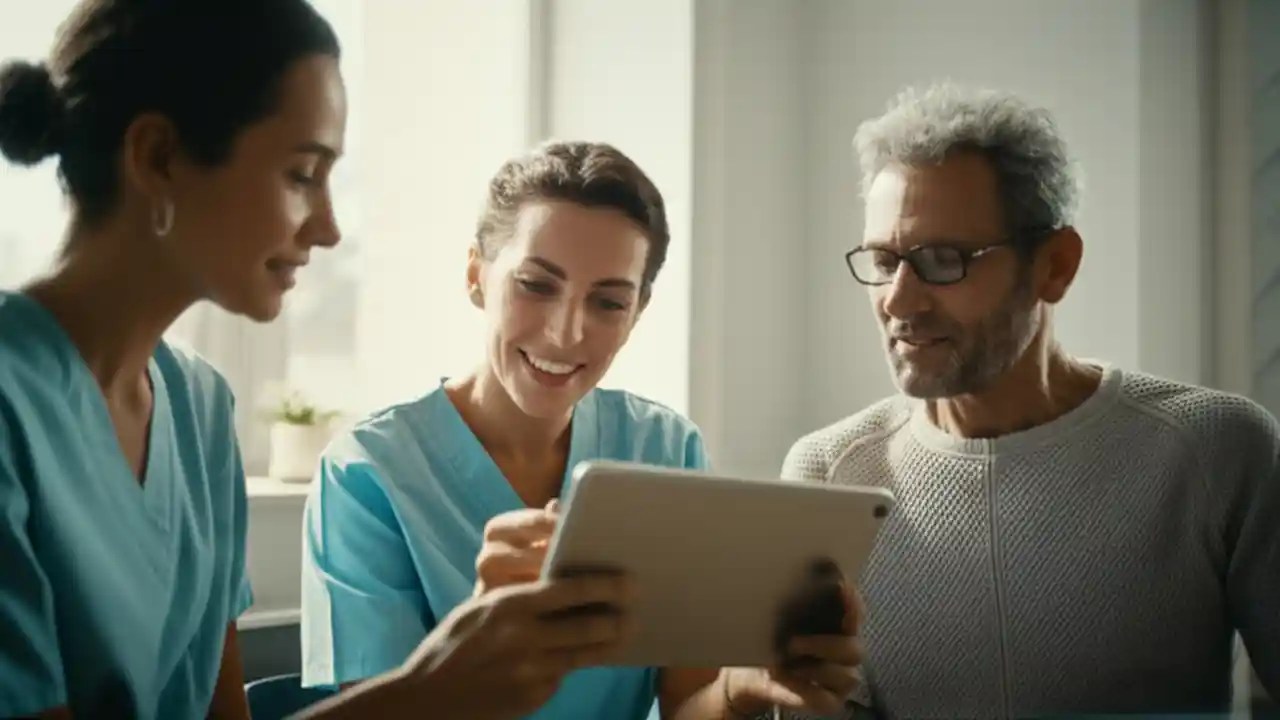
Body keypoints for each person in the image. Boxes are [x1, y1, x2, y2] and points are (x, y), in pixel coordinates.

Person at [0, 2, 637, 718]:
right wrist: (434, 693)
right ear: (157, 157)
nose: (330, 228)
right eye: (303, 174)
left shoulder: (199, 408)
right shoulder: (9, 404)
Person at [300, 140, 864, 719]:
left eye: (608, 303)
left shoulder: (665, 449)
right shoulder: (368, 474)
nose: (567, 333)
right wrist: (478, 650)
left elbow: (684, 708)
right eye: (536, 285)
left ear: (638, 312)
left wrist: (740, 687)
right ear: (476, 274)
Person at [782, 82, 1280, 718]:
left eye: (943, 260)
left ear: (1055, 265)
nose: (899, 302)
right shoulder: (828, 472)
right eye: (883, 259)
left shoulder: (1215, 449)